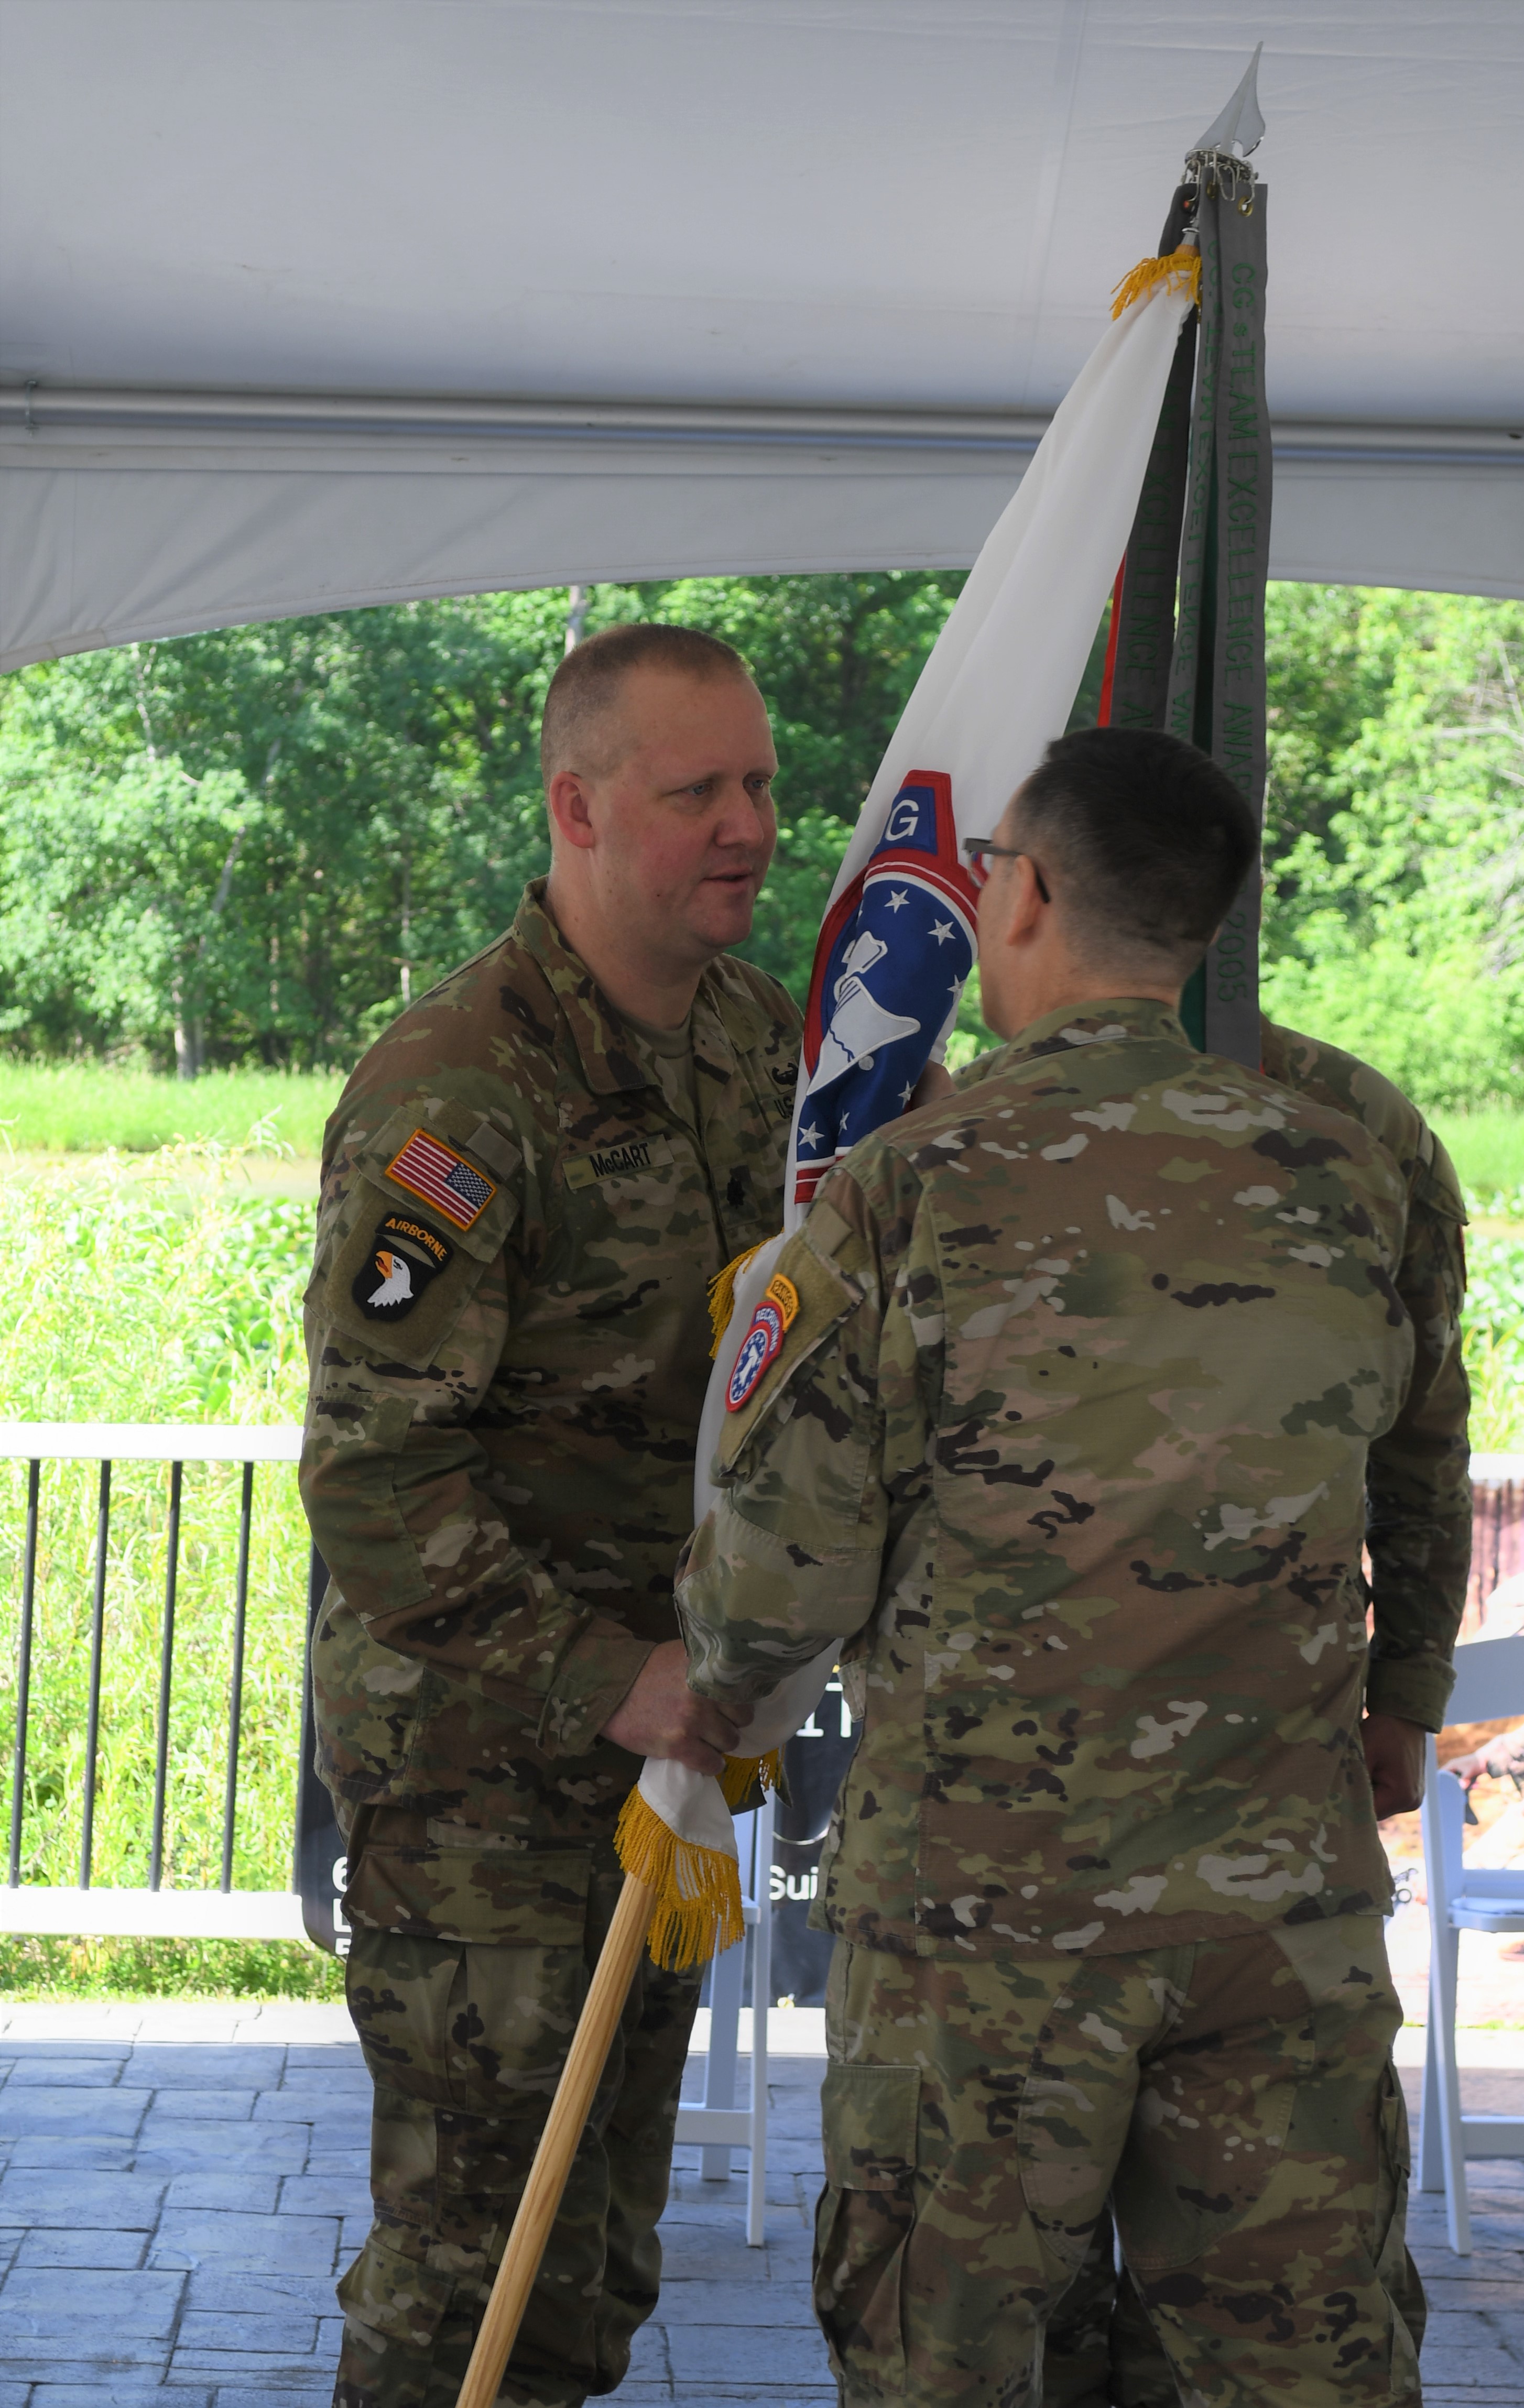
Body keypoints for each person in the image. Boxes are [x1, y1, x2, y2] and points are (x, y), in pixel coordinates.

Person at [676, 725, 1433, 2407]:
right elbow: (1422, 1469)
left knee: (946, 2361)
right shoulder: (1350, 1163)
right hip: (1276, 1918)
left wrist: (710, 1694)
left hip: (979, 1926)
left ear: (1018, 896)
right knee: (1290, 2371)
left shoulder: (907, 1188)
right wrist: (1408, 1699)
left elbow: (789, 1564)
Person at [298, 622, 797, 2408]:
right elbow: (374, 1471)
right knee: (469, 2279)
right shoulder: (458, 1089)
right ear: (579, 807)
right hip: (488, 1770)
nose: (750, 823)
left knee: (588, 2271)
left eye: (758, 781)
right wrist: (607, 1671)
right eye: (699, 791)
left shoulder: (760, 1043)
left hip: (666, 1750)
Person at [1037, 1011, 1472, 2405]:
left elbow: (1422, 1433)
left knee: (1271, 2325)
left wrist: (1406, 1684)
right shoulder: (957, 1132)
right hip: (1020, 1858)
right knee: (1014, 2331)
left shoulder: (1362, 1130)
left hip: (1244, 1861)